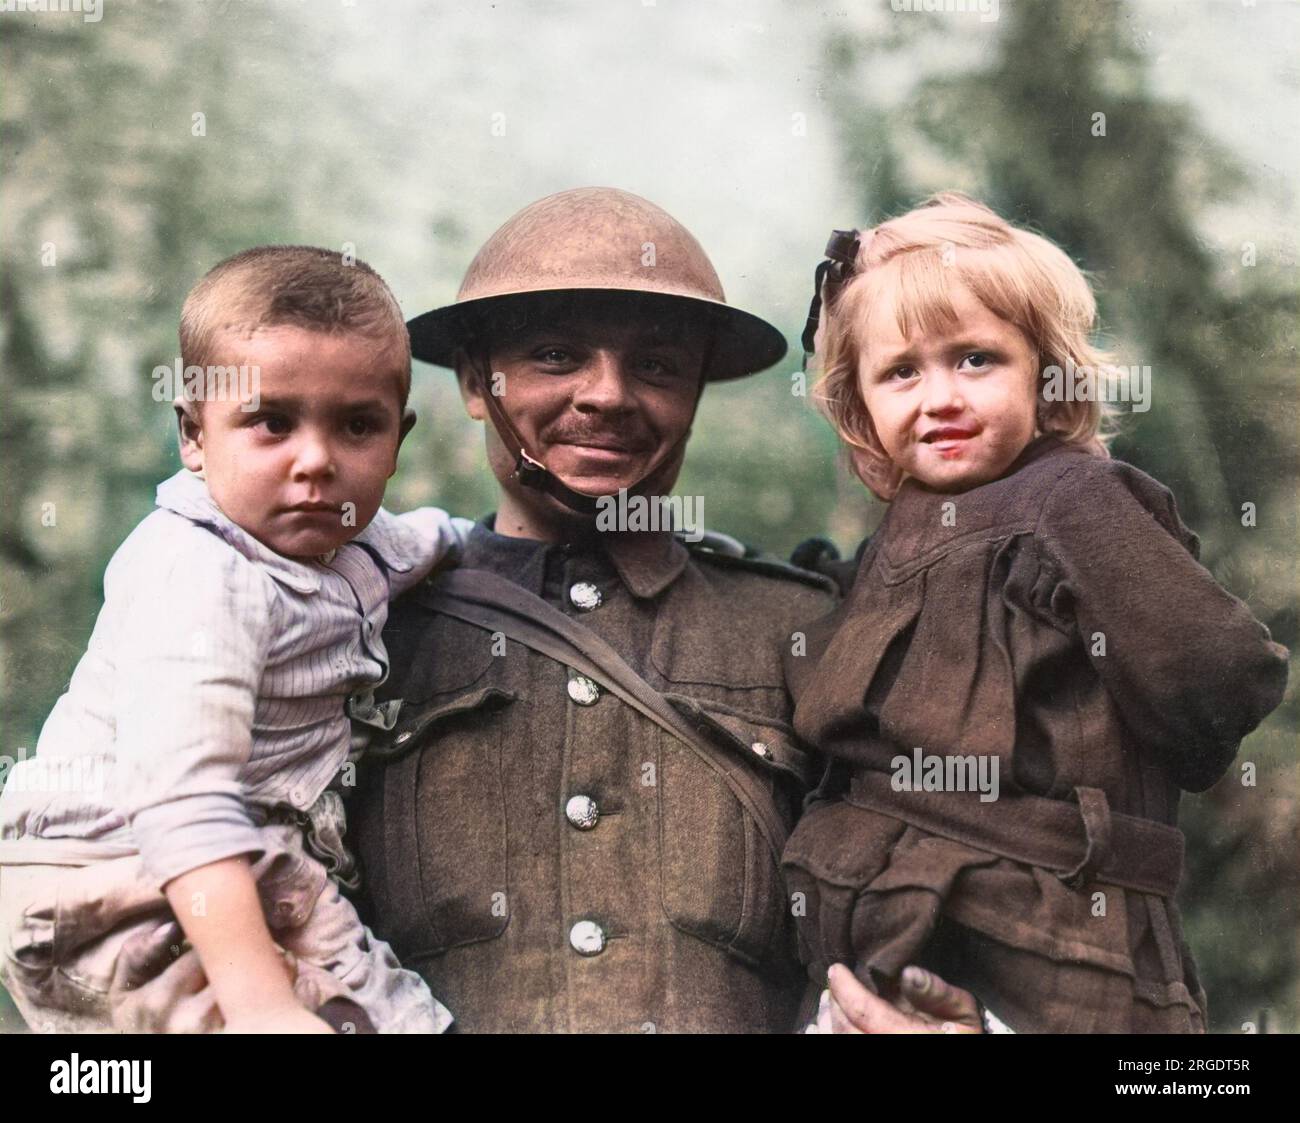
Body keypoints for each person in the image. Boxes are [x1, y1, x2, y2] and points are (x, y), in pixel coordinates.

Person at [101, 188, 990, 1035]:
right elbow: (186, 850)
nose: (607, 393)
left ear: (694, 398)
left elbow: (946, 889)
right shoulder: (350, 626)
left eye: (657, 364)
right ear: (477, 386)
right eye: (556, 356)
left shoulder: (802, 629)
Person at [781, 193, 1290, 1032]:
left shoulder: (1073, 499)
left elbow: (1218, 672)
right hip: (888, 941)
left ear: (1047, 376)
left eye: (977, 359)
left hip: (1061, 952)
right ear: (858, 402)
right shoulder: (895, 536)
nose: (939, 396)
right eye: (901, 371)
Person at [0, 246, 471, 1034]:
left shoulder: (358, 542)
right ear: (194, 434)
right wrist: (261, 1005)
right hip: (111, 872)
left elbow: (442, 539)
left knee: (399, 1019)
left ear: (398, 438)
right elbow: (181, 802)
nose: (316, 461)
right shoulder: (199, 574)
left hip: (257, 853)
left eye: (358, 425)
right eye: (271, 422)